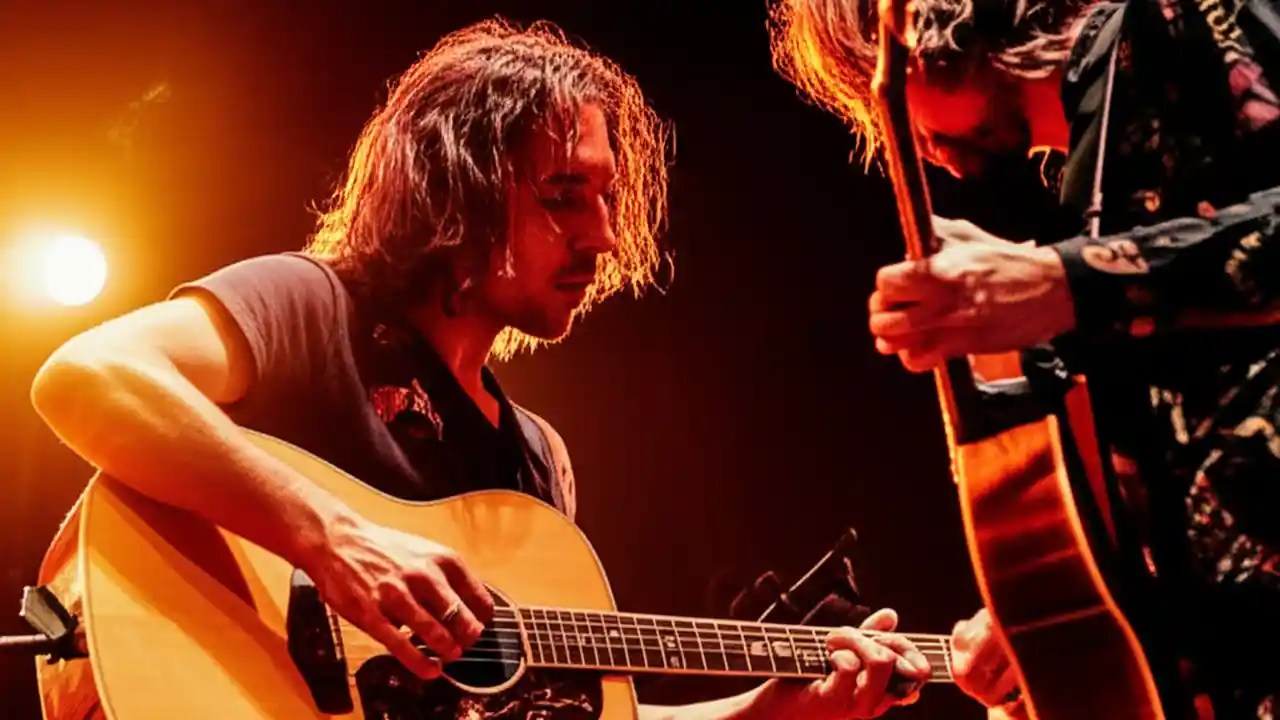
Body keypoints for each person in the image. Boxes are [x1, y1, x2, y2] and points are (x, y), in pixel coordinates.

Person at [30, 17, 932, 720]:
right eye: (563, 196)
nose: (604, 237)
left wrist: (773, 706)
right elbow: (85, 377)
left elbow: (560, 708)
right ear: (453, 185)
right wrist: (335, 541)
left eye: (607, 198)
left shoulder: (538, 462)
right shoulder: (310, 309)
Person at [770, 0, 1280, 716]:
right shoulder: (1095, 175)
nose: (914, 144)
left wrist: (1064, 283)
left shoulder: (1176, 18)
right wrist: (1047, 628)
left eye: (891, 82)